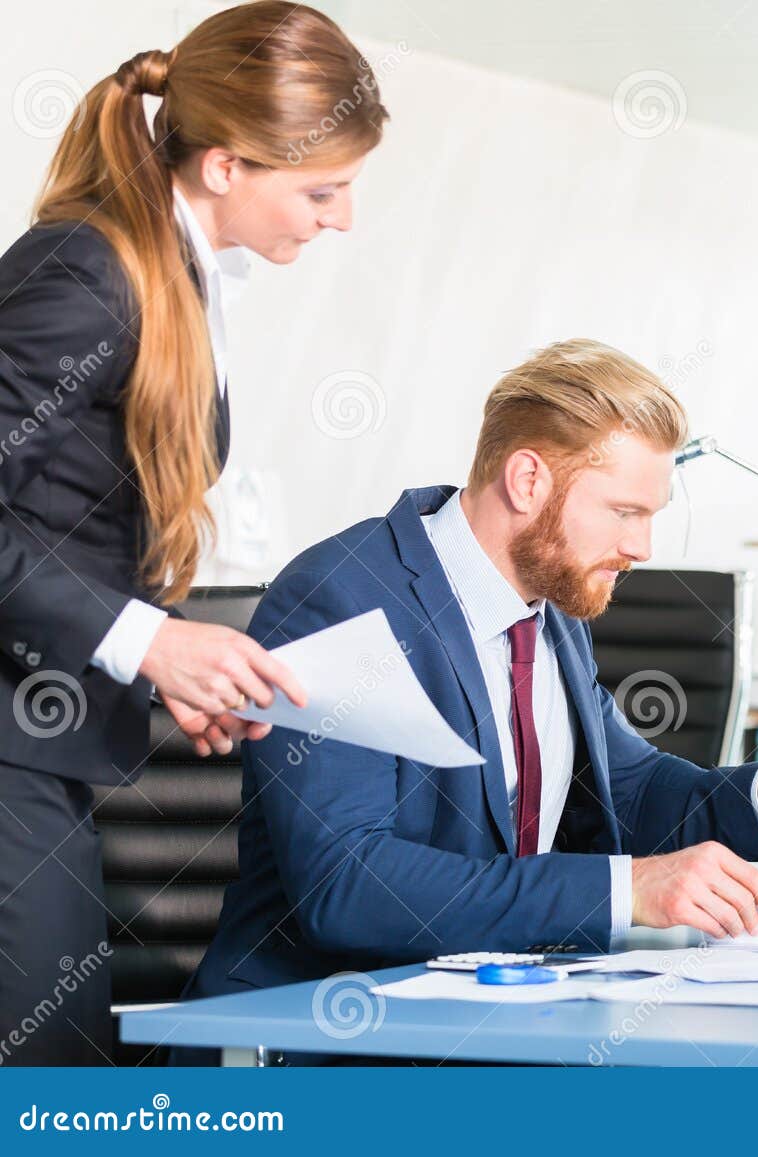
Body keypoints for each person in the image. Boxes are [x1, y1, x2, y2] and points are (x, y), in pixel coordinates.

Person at [182, 339, 758, 1045]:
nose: (642, 547)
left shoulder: (547, 611)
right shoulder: (344, 597)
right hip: (328, 1032)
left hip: (497, 1019)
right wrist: (627, 889)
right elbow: (348, 883)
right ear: (527, 479)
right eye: (625, 512)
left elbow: (634, 786)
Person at [0, 1, 387, 1063]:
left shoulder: (171, 276)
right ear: (224, 166)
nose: (343, 217)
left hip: (41, 744)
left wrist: (162, 658)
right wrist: (147, 638)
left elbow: (52, 516)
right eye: (322, 188)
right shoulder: (83, 271)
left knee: (68, 1073)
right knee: (47, 1087)